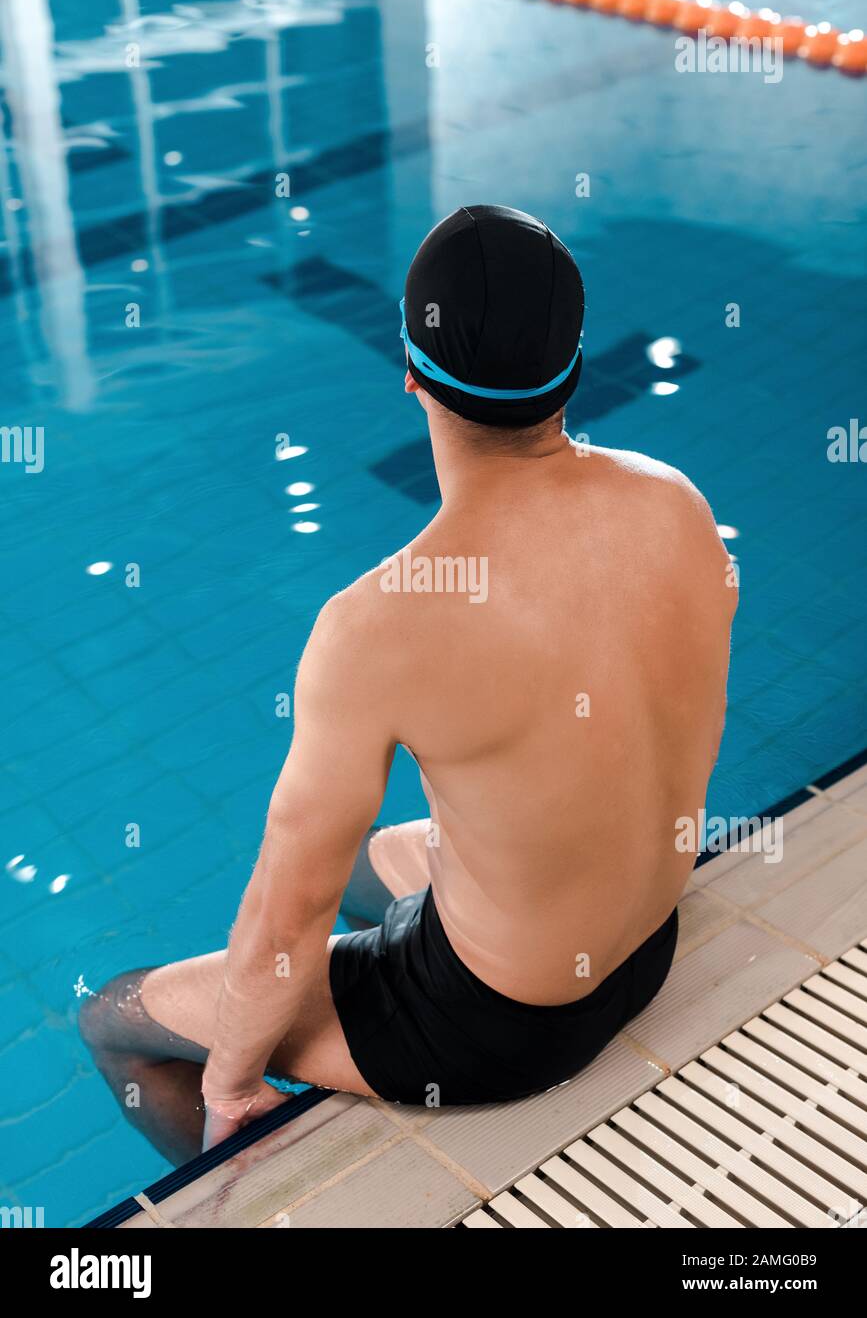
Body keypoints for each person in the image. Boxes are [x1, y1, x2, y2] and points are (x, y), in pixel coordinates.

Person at [80, 205, 736, 1164]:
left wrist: (230, 1079)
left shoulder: (378, 625)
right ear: (574, 366)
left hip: (501, 1027)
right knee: (362, 871)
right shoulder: (674, 500)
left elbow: (283, 917)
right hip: (646, 945)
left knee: (114, 1021)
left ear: (412, 377)